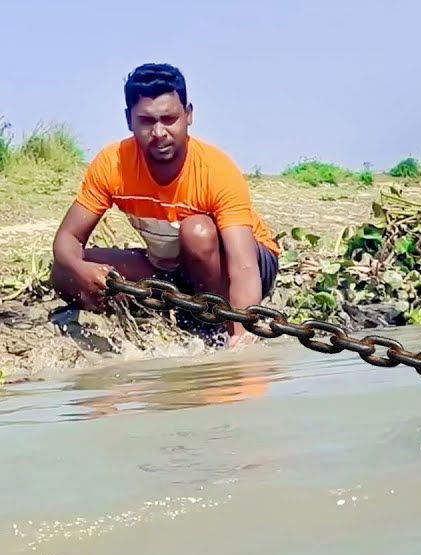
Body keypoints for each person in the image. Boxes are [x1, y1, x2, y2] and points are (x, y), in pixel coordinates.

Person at [49, 62, 281, 349]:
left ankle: (218, 327)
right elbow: (67, 239)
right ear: (128, 119)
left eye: (169, 119)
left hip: (245, 260)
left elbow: (244, 265)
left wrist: (243, 332)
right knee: (63, 270)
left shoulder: (216, 169)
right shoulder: (112, 163)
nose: (159, 132)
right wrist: (81, 270)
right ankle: (137, 322)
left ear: (188, 115)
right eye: (146, 121)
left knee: (197, 231)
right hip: (167, 264)